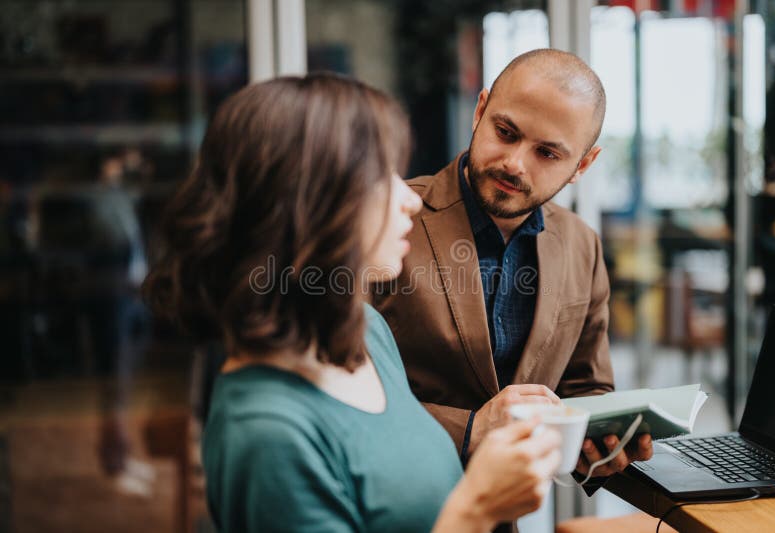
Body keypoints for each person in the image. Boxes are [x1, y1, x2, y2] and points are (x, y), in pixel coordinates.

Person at [143, 73, 562, 532]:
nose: (411, 201)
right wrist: (477, 508)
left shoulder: (364, 329)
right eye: (381, 176)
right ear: (311, 203)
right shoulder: (267, 434)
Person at [374, 49, 653, 484]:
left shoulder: (582, 246)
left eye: (547, 153)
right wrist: (470, 431)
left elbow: (585, 390)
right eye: (506, 132)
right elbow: (330, 398)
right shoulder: (384, 221)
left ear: (583, 164)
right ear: (480, 110)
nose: (514, 163)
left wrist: (599, 443)